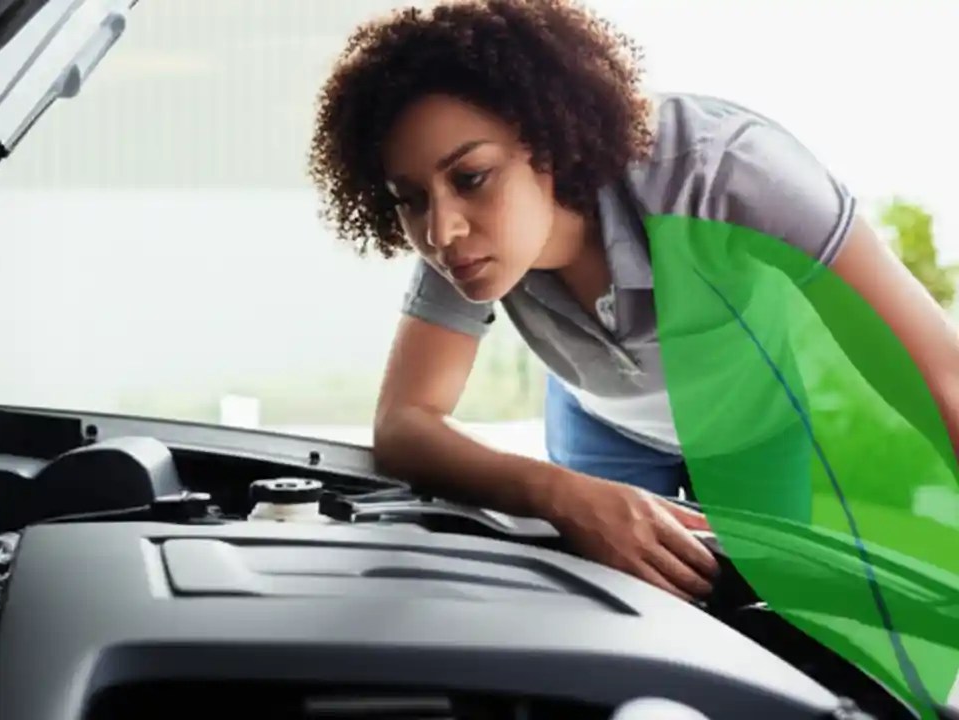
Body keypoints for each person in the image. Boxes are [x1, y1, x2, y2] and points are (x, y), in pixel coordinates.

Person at [305, 0, 959, 601]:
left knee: (776, 622)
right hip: (599, 425)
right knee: (616, 614)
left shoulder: (729, 172)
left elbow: (939, 374)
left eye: (471, 177)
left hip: (755, 426)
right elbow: (404, 422)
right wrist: (561, 495)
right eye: (410, 198)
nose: (440, 231)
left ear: (548, 140)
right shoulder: (460, 242)